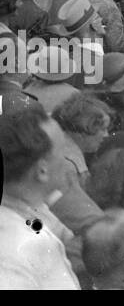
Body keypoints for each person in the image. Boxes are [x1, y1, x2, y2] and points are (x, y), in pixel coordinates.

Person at [0, 105, 81, 289]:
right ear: (42, 170)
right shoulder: (13, 251)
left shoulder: (33, 209)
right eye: (63, 150)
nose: (67, 160)